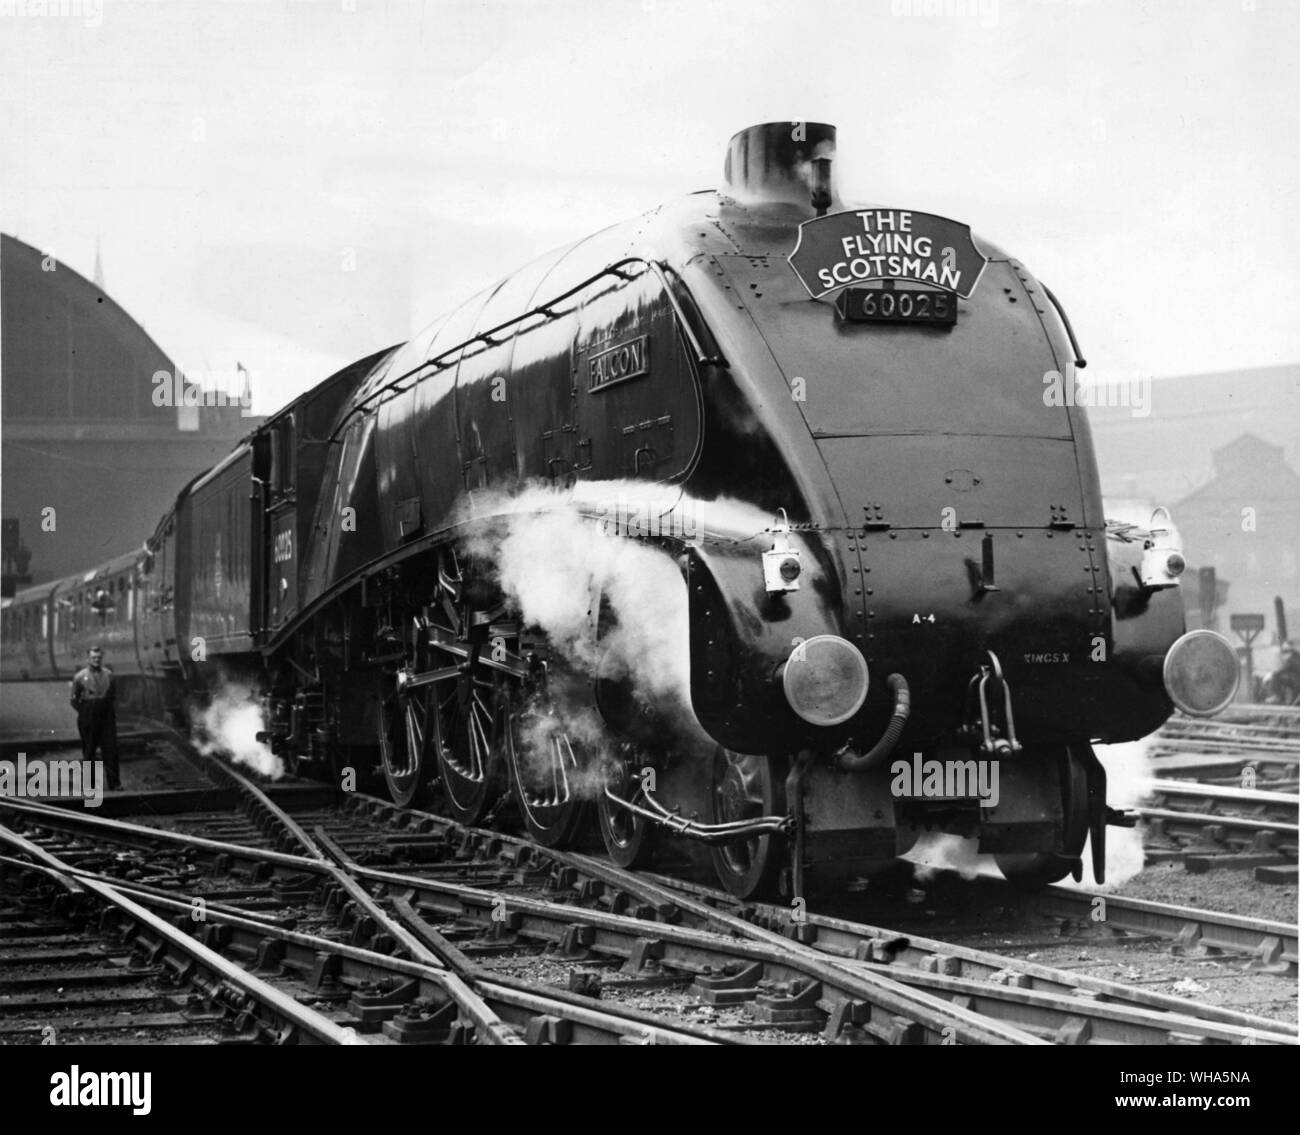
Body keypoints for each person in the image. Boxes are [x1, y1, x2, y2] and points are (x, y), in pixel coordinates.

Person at [70, 646, 120, 790]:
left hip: (106, 716)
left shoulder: (109, 675)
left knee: (111, 750)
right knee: (89, 751)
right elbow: (74, 700)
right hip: (88, 716)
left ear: (102, 658)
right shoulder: (79, 677)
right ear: (88, 659)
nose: (96, 660)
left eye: (98, 658)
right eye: (93, 658)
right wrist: (85, 712)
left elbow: (113, 696)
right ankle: (89, 785)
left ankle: (114, 783)